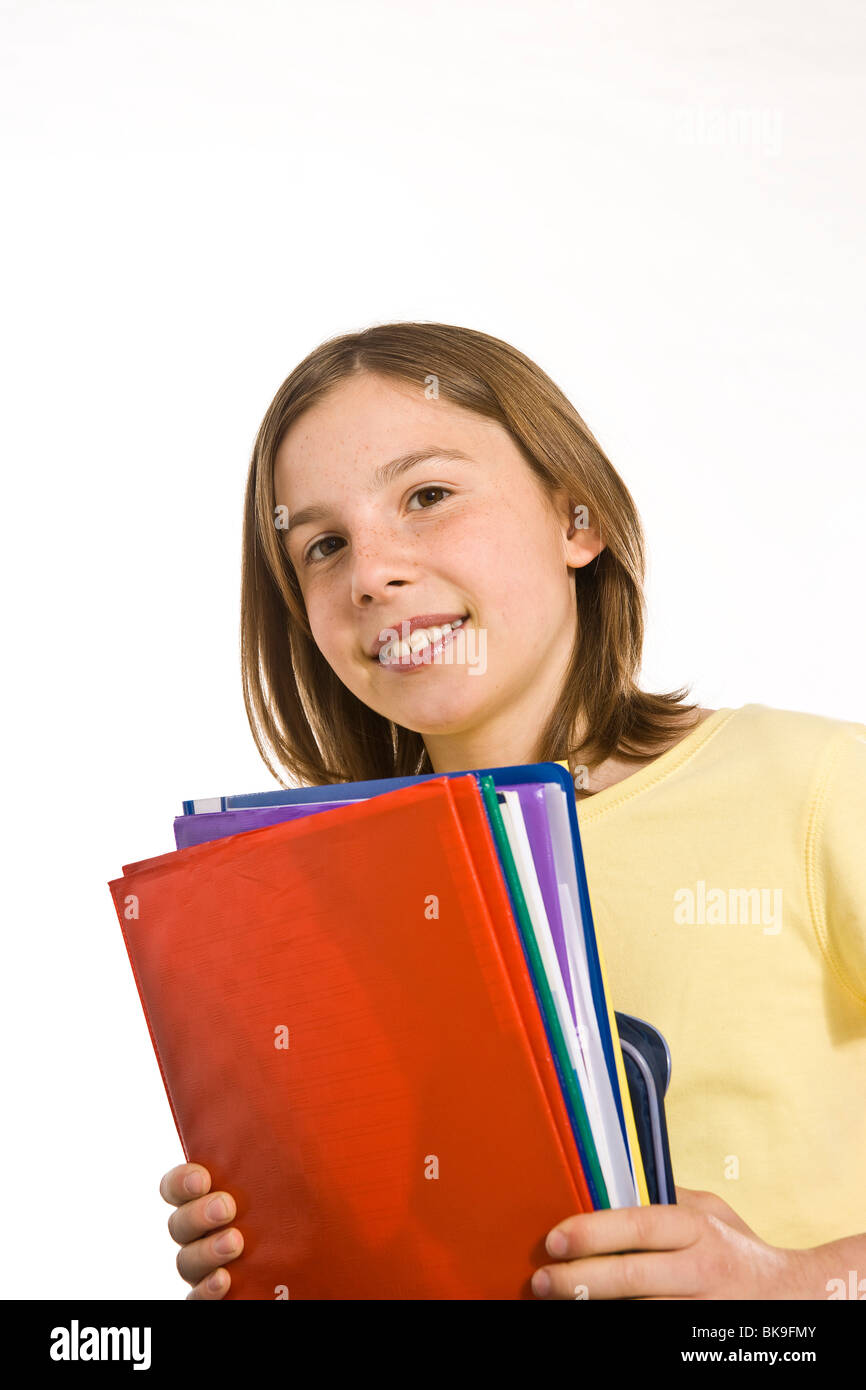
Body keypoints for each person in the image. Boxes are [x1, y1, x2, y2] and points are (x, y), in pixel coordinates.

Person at [160, 322, 865, 1300]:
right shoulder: (306, 909)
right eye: (322, 545)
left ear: (576, 518)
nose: (370, 572)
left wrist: (799, 1285)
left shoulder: (814, 784)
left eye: (427, 496)